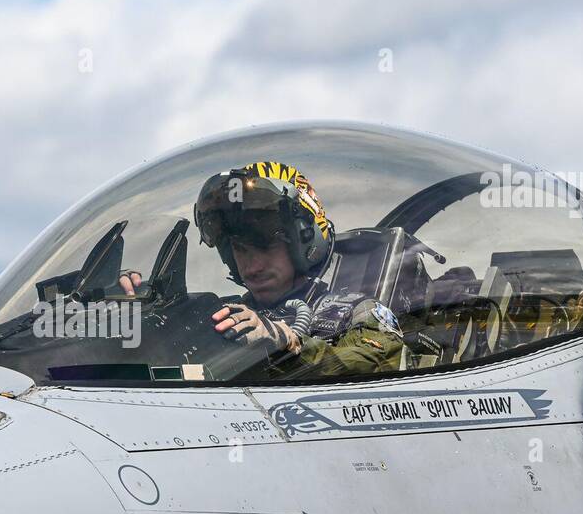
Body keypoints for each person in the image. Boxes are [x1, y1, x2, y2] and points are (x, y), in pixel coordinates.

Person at [120, 160, 403, 380]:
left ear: (303, 240)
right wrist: (139, 317)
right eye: (240, 250)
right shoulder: (220, 317)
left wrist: (289, 343)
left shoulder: (355, 312)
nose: (251, 266)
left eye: (266, 247)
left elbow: (378, 364)